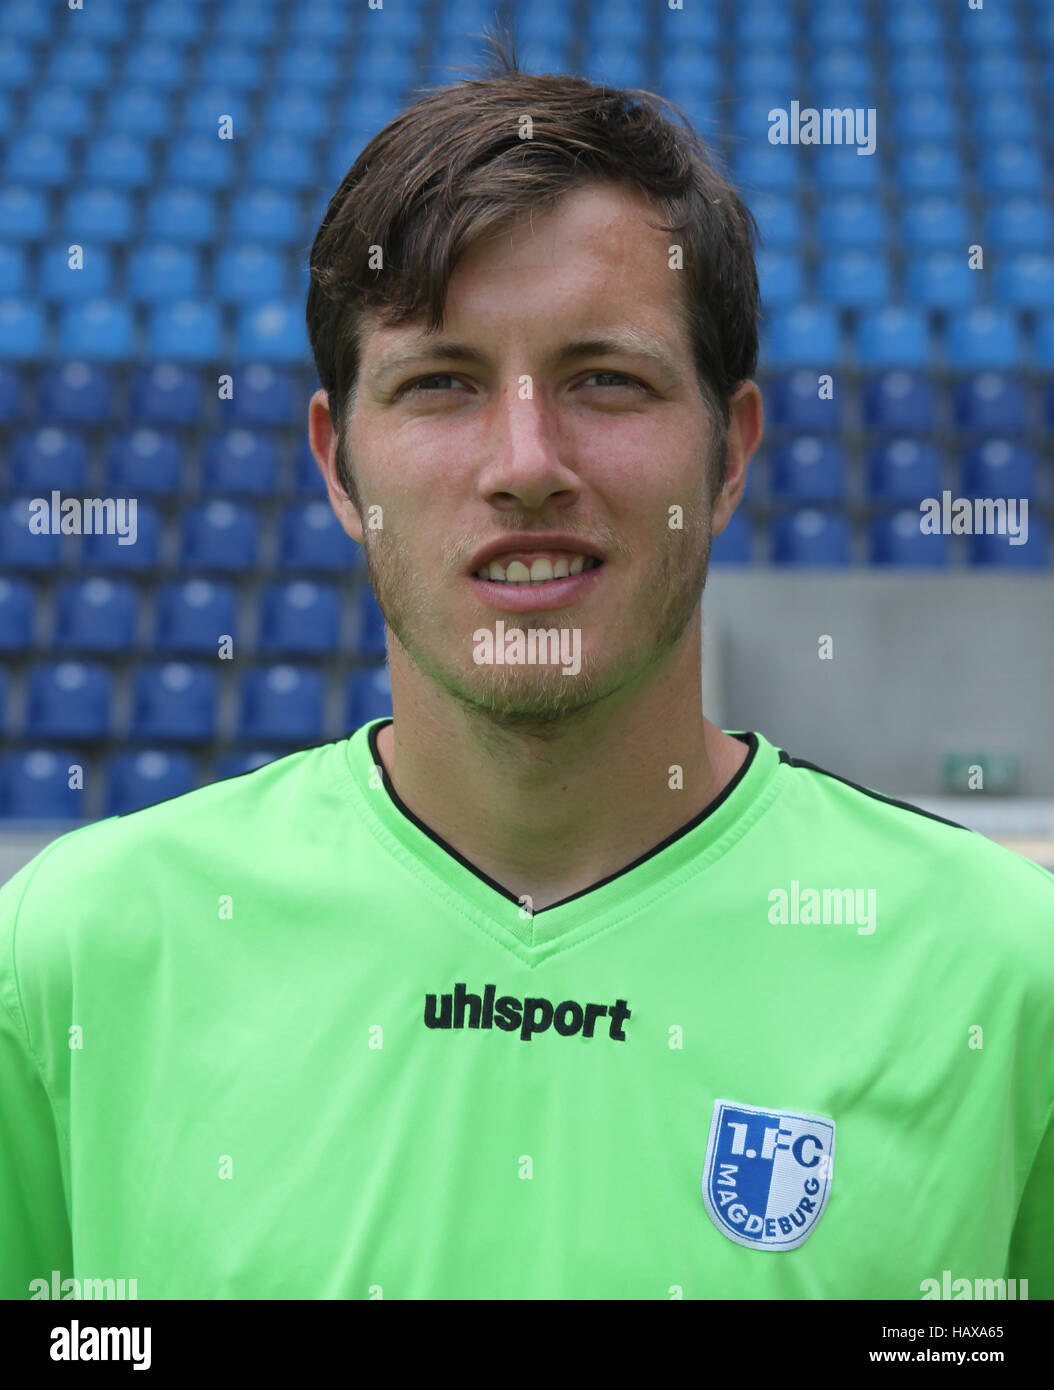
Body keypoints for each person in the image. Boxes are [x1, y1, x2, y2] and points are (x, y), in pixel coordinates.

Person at [2, 36, 1051, 1301]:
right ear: (339, 468)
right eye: (439, 383)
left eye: (604, 379)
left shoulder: (999, 974)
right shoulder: (78, 956)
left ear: (730, 457)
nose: (525, 461)